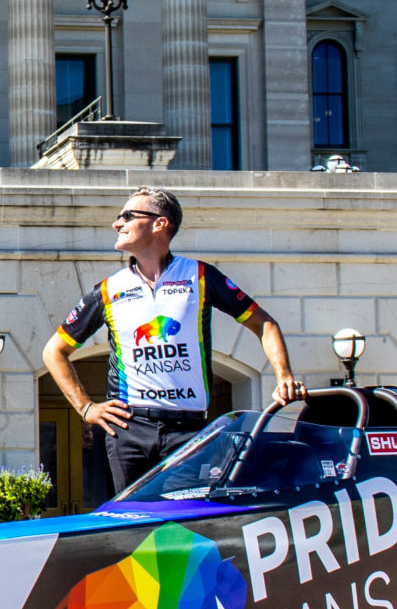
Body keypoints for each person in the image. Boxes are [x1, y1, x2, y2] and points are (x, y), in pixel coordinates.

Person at [41, 186, 308, 497]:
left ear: (160, 223)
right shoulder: (109, 289)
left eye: (127, 216)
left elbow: (265, 323)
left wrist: (284, 376)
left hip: (189, 431)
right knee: (133, 520)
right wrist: (86, 408)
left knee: (182, 521)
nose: (117, 223)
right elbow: (54, 351)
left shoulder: (200, 275)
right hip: (129, 429)